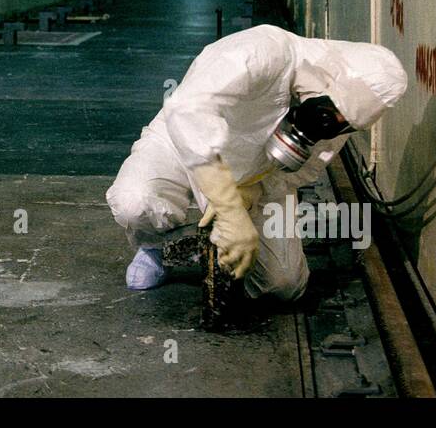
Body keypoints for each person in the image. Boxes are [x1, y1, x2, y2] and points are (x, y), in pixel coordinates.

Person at [105, 24, 407, 299]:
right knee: (135, 203)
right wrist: (228, 206)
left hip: (255, 176)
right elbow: (186, 112)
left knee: (283, 285)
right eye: (332, 115)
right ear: (331, 79)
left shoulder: (338, 118)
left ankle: (228, 255)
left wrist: (251, 193)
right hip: (180, 144)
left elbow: (298, 169)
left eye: (343, 125)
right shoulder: (260, 51)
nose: (333, 125)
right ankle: (154, 246)